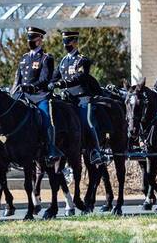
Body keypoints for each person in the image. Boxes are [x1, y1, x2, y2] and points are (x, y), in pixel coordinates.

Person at [53, 29, 105, 165]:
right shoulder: (63, 62)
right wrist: (48, 84)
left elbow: (80, 76)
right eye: (64, 42)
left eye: (68, 42)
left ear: (75, 43)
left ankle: (95, 150)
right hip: (67, 99)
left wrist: (63, 83)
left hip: (82, 98)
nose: (66, 45)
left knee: (87, 121)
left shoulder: (82, 60)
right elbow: (54, 77)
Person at [14, 25, 59, 158]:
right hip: (23, 95)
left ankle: (51, 148)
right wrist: (15, 91)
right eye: (29, 38)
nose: (30, 41)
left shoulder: (46, 58)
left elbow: (45, 79)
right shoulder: (24, 58)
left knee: (46, 119)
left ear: (40, 39)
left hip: (40, 96)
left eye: (33, 38)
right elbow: (18, 78)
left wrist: (31, 87)